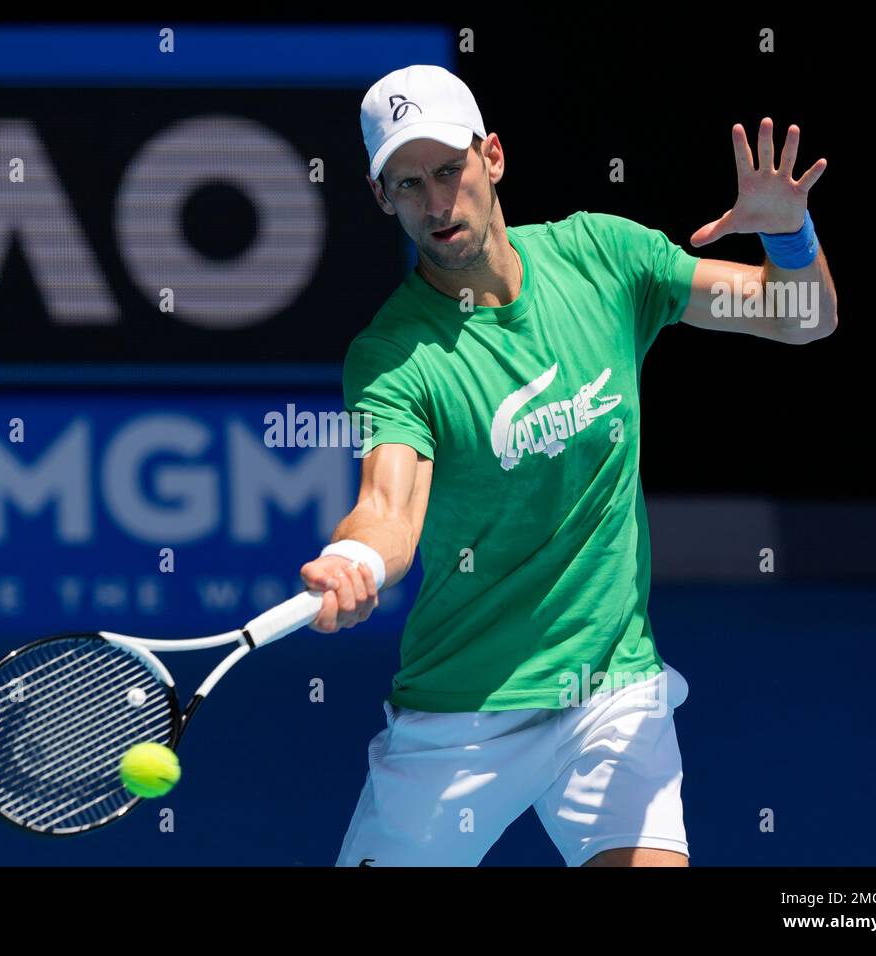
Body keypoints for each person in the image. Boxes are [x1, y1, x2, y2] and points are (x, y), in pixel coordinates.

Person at [303, 64, 837, 867]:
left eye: (448, 169)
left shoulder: (603, 258)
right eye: (408, 184)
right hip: (461, 715)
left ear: (493, 156)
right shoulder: (393, 357)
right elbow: (388, 508)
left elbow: (802, 317)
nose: (437, 202)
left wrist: (790, 237)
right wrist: (355, 557)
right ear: (383, 197)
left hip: (611, 694)